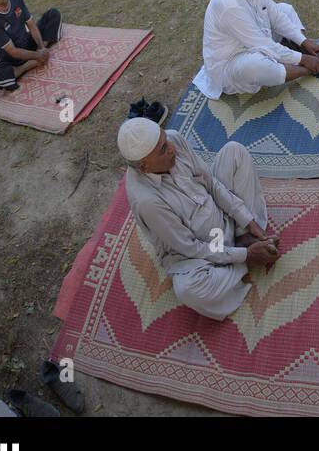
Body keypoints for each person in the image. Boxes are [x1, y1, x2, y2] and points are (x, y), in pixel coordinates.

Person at [119, 116, 279, 321]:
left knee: (234, 151)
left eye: (164, 138)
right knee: (190, 291)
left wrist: (250, 222)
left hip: (219, 214)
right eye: (162, 149)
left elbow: (211, 184)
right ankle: (244, 254)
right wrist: (245, 254)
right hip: (197, 254)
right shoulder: (147, 201)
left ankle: (243, 238)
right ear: (144, 167)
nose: (171, 148)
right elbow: (190, 248)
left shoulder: (173, 139)